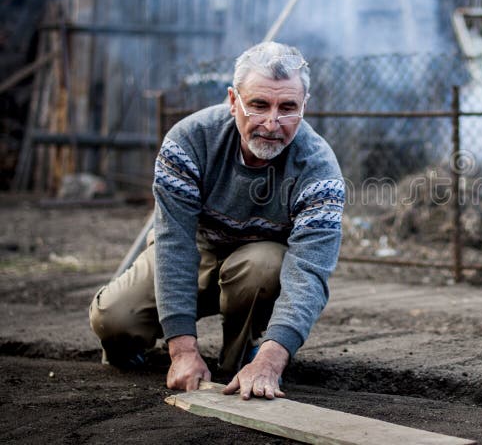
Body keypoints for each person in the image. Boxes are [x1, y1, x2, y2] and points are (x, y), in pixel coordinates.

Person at [89, 41, 344, 400]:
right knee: (113, 319)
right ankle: (142, 351)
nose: (272, 123)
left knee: (265, 264)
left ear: (304, 107)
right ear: (233, 101)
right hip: (195, 249)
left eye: (287, 108)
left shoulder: (318, 169)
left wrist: (273, 360)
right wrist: (182, 349)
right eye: (259, 105)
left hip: (255, 269)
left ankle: (246, 359)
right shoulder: (190, 141)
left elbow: (309, 273)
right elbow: (174, 243)